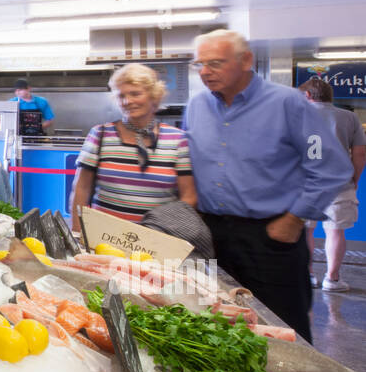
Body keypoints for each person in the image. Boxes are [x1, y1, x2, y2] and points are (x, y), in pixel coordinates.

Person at [183, 29, 352, 342]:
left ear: (246, 60)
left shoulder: (290, 104)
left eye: (216, 63)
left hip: (271, 237)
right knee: (215, 324)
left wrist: (294, 218)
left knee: (282, 331)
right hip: (211, 237)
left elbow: (330, 166)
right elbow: (188, 165)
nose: (206, 72)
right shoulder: (196, 107)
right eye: (200, 64)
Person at [71, 63, 196, 231]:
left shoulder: (177, 139)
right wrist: (78, 234)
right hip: (103, 239)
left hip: (157, 244)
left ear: (154, 96)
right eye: (121, 95)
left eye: (135, 94)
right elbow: (81, 190)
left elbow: (188, 197)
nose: (127, 101)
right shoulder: (100, 135)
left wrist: (168, 235)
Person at [298, 76, 365, 292]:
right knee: (335, 231)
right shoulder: (349, 117)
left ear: (307, 95)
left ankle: (308, 276)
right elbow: (360, 153)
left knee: (305, 231)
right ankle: (332, 279)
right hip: (339, 184)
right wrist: (354, 179)